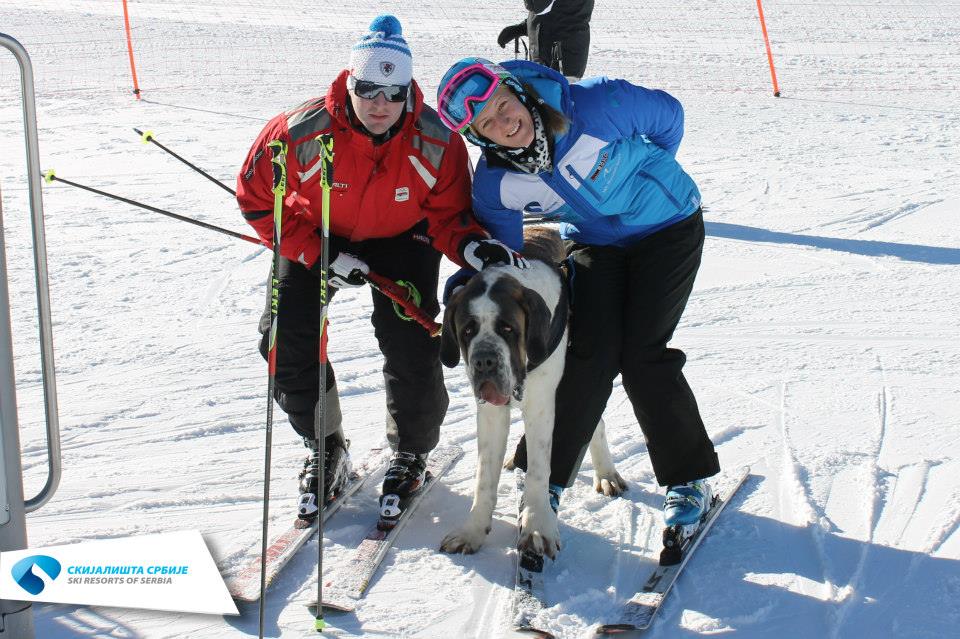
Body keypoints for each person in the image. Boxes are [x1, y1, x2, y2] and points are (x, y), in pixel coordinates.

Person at [236, 17, 520, 524]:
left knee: (411, 339)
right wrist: (318, 254)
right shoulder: (297, 133)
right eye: (368, 88)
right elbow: (259, 201)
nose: (380, 103)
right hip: (317, 234)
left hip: (403, 237)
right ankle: (326, 446)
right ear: (350, 82)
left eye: (393, 92)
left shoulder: (437, 140)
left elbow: (449, 216)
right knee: (285, 336)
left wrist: (472, 247)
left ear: (407, 90)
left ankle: (411, 451)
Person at [436, 57, 721, 527]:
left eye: (504, 105)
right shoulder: (495, 184)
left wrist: (649, 174)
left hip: (668, 226)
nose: (505, 123)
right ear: (480, 137)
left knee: (643, 354)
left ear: (518, 93)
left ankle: (688, 480)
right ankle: (545, 480)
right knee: (588, 353)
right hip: (595, 243)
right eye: (487, 123)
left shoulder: (597, 105)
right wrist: (469, 286)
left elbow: (670, 117)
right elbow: (508, 259)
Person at [496, 0, 595, 81]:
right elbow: (553, 13)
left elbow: (538, 7)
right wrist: (521, 28)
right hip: (548, 58)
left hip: (562, 61)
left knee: (556, 98)